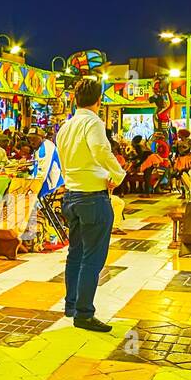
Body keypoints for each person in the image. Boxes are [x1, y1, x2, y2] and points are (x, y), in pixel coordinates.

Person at [55, 77, 125, 332]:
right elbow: (101, 151)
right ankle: (84, 314)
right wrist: (118, 175)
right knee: (92, 259)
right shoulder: (93, 122)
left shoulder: (66, 126)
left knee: (75, 254)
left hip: (71, 197)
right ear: (99, 100)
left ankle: (72, 305)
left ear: (75, 99)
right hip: (92, 198)